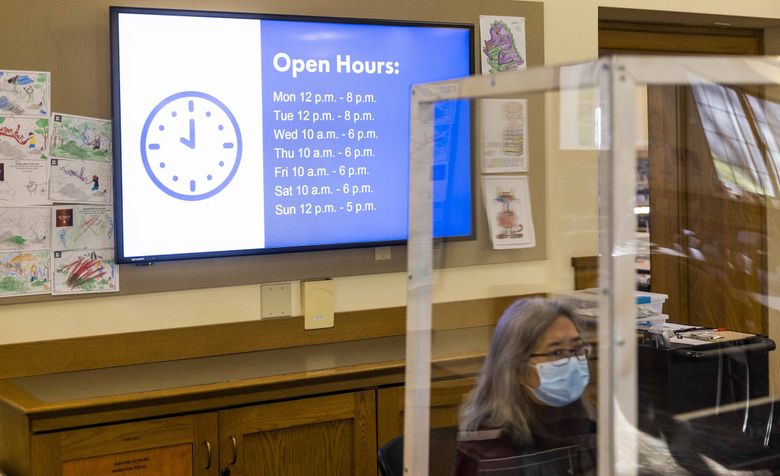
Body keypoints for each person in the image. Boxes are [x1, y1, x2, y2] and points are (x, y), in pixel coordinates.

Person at [454, 298, 596, 475]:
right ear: (517, 368)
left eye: (577, 349)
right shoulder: (490, 448)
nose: (572, 362)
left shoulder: (583, 421)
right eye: (557, 352)